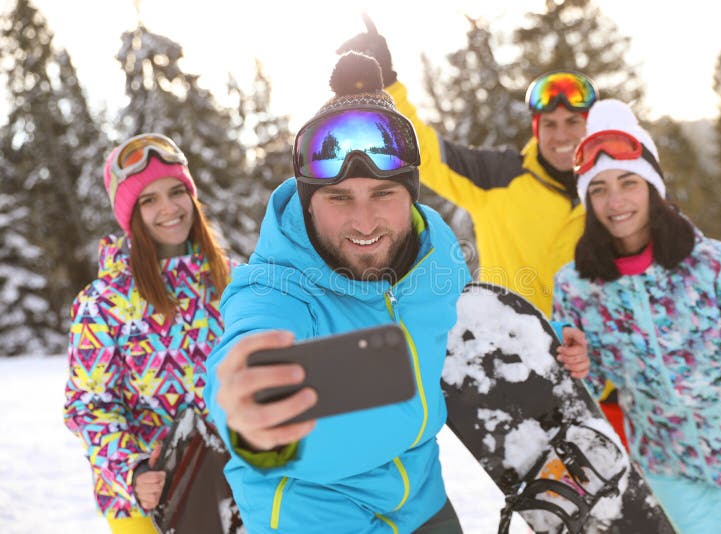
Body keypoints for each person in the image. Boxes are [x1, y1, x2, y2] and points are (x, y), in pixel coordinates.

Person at [204, 52, 590, 534]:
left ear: (411, 194)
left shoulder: (434, 251)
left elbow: (466, 327)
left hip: (419, 492)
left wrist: (547, 341)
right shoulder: (277, 286)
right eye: (339, 198)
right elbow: (246, 343)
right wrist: (243, 399)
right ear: (308, 203)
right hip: (314, 508)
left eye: (383, 194)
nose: (364, 223)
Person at [336, 20, 629, 448]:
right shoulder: (499, 176)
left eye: (573, 121)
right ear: (536, 130)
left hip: (603, 380)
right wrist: (388, 85)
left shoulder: (613, 191)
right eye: (550, 124)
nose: (562, 135)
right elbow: (429, 154)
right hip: (522, 369)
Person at [552, 99, 721, 534]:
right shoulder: (576, 285)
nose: (615, 201)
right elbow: (583, 390)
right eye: (599, 188)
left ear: (652, 188)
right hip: (670, 468)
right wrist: (577, 364)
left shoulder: (715, 263)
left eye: (628, 182)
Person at [63, 133, 233, 534]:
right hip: (149, 501)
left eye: (177, 192)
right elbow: (89, 406)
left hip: (232, 484)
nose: (169, 208)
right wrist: (133, 470)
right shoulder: (103, 302)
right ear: (131, 215)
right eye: (149, 200)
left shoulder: (230, 282)